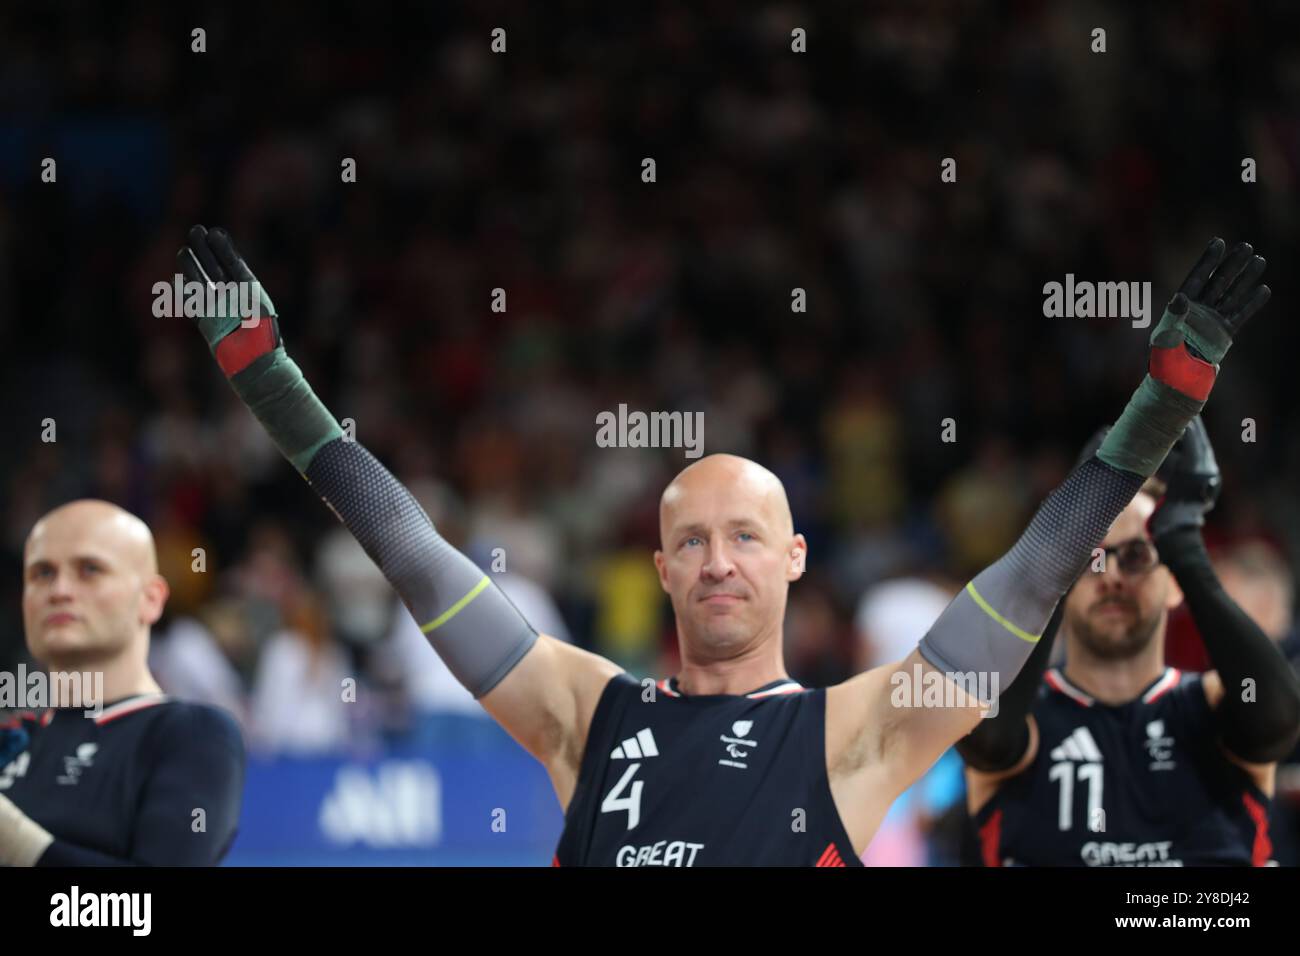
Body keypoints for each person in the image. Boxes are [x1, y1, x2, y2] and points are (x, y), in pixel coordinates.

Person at [177, 225, 1268, 865]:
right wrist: (282, 393)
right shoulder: (583, 714)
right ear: (658, 569)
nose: (715, 560)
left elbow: (1028, 577)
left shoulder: (854, 728)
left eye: (745, 535)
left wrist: (1154, 414)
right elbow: (418, 557)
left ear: (795, 556)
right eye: (689, 539)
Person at [957, 420, 1300, 865]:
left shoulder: (1213, 705)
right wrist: (1058, 555)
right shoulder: (1025, 716)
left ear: (1176, 580)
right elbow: (986, 738)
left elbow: (1278, 722)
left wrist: (1183, 544)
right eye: (1089, 556)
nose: (1112, 576)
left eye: (1136, 556)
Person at [0, 500, 245, 866]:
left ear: (151, 599)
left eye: (89, 569)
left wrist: (15, 840)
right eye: (42, 574)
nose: (59, 590)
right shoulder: (11, 739)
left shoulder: (192, 735)